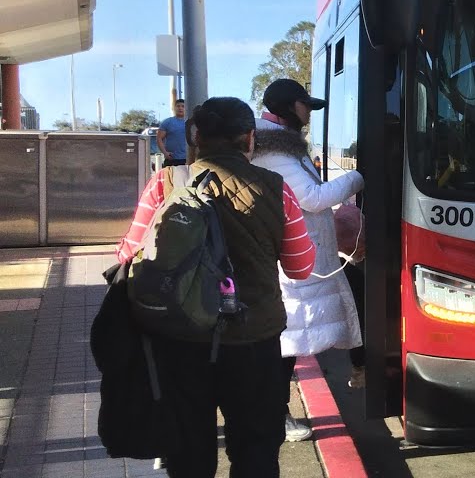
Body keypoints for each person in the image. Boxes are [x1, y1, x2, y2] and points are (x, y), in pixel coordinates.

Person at [115, 97, 316, 478]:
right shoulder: (278, 189)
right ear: (249, 139)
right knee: (256, 447)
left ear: (195, 136)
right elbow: (301, 267)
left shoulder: (165, 184)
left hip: (180, 339)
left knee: (189, 450)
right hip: (253, 340)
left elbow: (128, 253)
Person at [252, 78, 364, 442]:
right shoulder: (274, 152)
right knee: (285, 342)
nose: (309, 114)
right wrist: (361, 177)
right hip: (293, 258)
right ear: (288, 108)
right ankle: (275, 413)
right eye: (305, 107)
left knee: (297, 333)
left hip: (305, 253)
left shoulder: (281, 144)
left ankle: (362, 366)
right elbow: (313, 198)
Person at [156, 99, 188, 167]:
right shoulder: (167, 122)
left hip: (188, 160)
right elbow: (159, 139)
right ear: (174, 108)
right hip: (172, 159)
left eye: (183, 106)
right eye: (178, 106)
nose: (180, 108)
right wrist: (165, 153)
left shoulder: (191, 122)